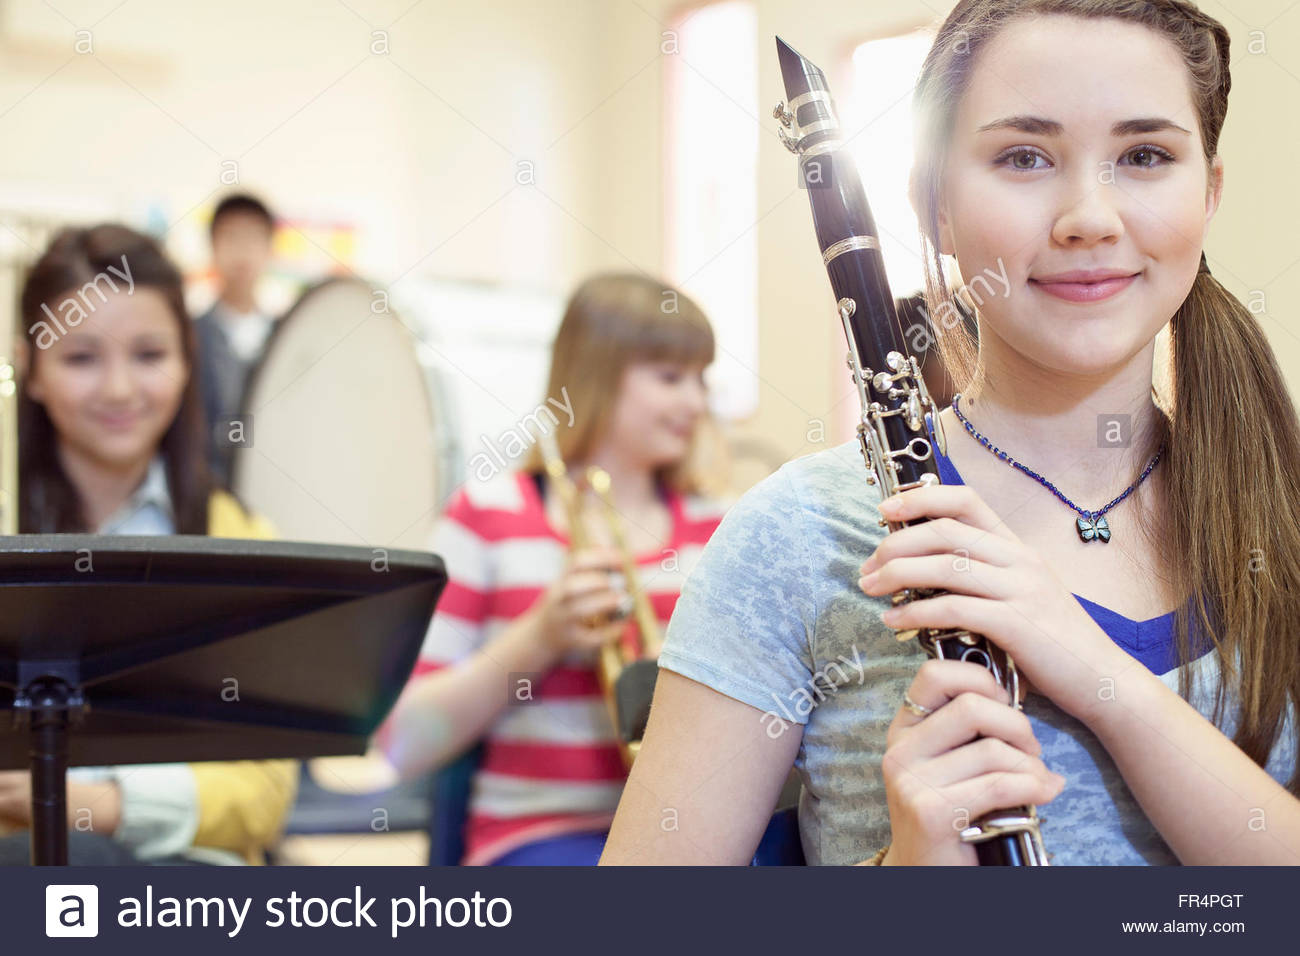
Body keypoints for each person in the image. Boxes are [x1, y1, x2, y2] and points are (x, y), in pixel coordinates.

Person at [600, 0, 1300, 866]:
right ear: (933, 204)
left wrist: (1100, 678)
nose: (1090, 215)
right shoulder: (800, 537)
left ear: (1210, 192)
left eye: (1145, 156)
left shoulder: (1283, 513)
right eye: (1024, 157)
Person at [382, 273, 729, 865]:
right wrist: (539, 637)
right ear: (593, 377)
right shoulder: (487, 515)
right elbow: (401, 741)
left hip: (689, 836)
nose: (696, 403)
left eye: (701, 379)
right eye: (671, 378)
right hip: (536, 836)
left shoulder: (720, 524)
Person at [2, 223, 297, 865]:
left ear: (187, 361)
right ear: (31, 369)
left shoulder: (238, 540)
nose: (118, 390)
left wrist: (96, 806)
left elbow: (264, 789)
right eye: (80, 358)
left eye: (149, 355)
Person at [194, 193, 277, 488]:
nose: (242, 253)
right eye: (231, 238)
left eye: (253, 239)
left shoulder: (285, 339)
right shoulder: (188, 337)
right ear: (212, 247)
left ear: (270, 249)